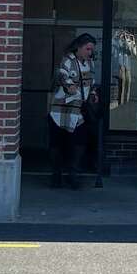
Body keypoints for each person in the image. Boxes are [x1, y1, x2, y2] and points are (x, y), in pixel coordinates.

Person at [48, 32, 100, 189]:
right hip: (62, 109)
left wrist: (93, 94)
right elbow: (62, 75)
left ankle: (73, 174)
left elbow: (91, 83)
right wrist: (68, 86)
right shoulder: (68, 60)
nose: (90, 53)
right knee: (57, 142)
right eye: (88, 49)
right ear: (79, 47)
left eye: (91, 50)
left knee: (79, 141)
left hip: (78, 109)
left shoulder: (89, 64)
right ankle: (56, 174)